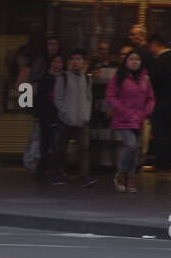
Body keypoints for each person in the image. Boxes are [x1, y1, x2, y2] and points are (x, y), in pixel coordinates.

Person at [106, 51, 155, 193]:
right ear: (126, 62)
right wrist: (122, 110)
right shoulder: (118, 78)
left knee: (135, 150)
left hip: (139, 119)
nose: (134, 62)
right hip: (123, 117)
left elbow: (151, 98)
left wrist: (146, 112)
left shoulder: (145, 79)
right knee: (131, 145)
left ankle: (130, 178)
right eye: (131, 59)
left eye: (137, 59)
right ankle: (121, 174)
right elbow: (110, 96)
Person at [51, 49, 97, 187]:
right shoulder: (63, 78)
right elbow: (57, 98)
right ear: (70, 62)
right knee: (61, 147)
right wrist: (64, 112)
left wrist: (86, 114)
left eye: (79, 59)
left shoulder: (87, 79)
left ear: (83, 62)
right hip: (66, 118)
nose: (76, 62)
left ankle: (84, 175)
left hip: (82, 119)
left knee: (83, 148)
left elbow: (89, 98)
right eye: (74, 59)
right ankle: (58, 173)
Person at [147, 35, 171, 170]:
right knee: (168, 132)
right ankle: (169, 160)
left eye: (151, 46)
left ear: (156, 44)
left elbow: (155, 81)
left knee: (160, 132)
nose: (150, 49)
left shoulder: (161, 61)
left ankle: (162, 162)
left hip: (160, 103)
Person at [33, 53, 64, 182]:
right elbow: (39, 97)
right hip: (46, 115)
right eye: (55, 62)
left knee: (55, 143)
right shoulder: (45, 78)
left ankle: (52, 171)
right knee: (47, 144)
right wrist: (37, 114)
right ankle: (44, 171)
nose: (57, 65)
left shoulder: (64, 78)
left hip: (60, 115)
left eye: (60, 62)